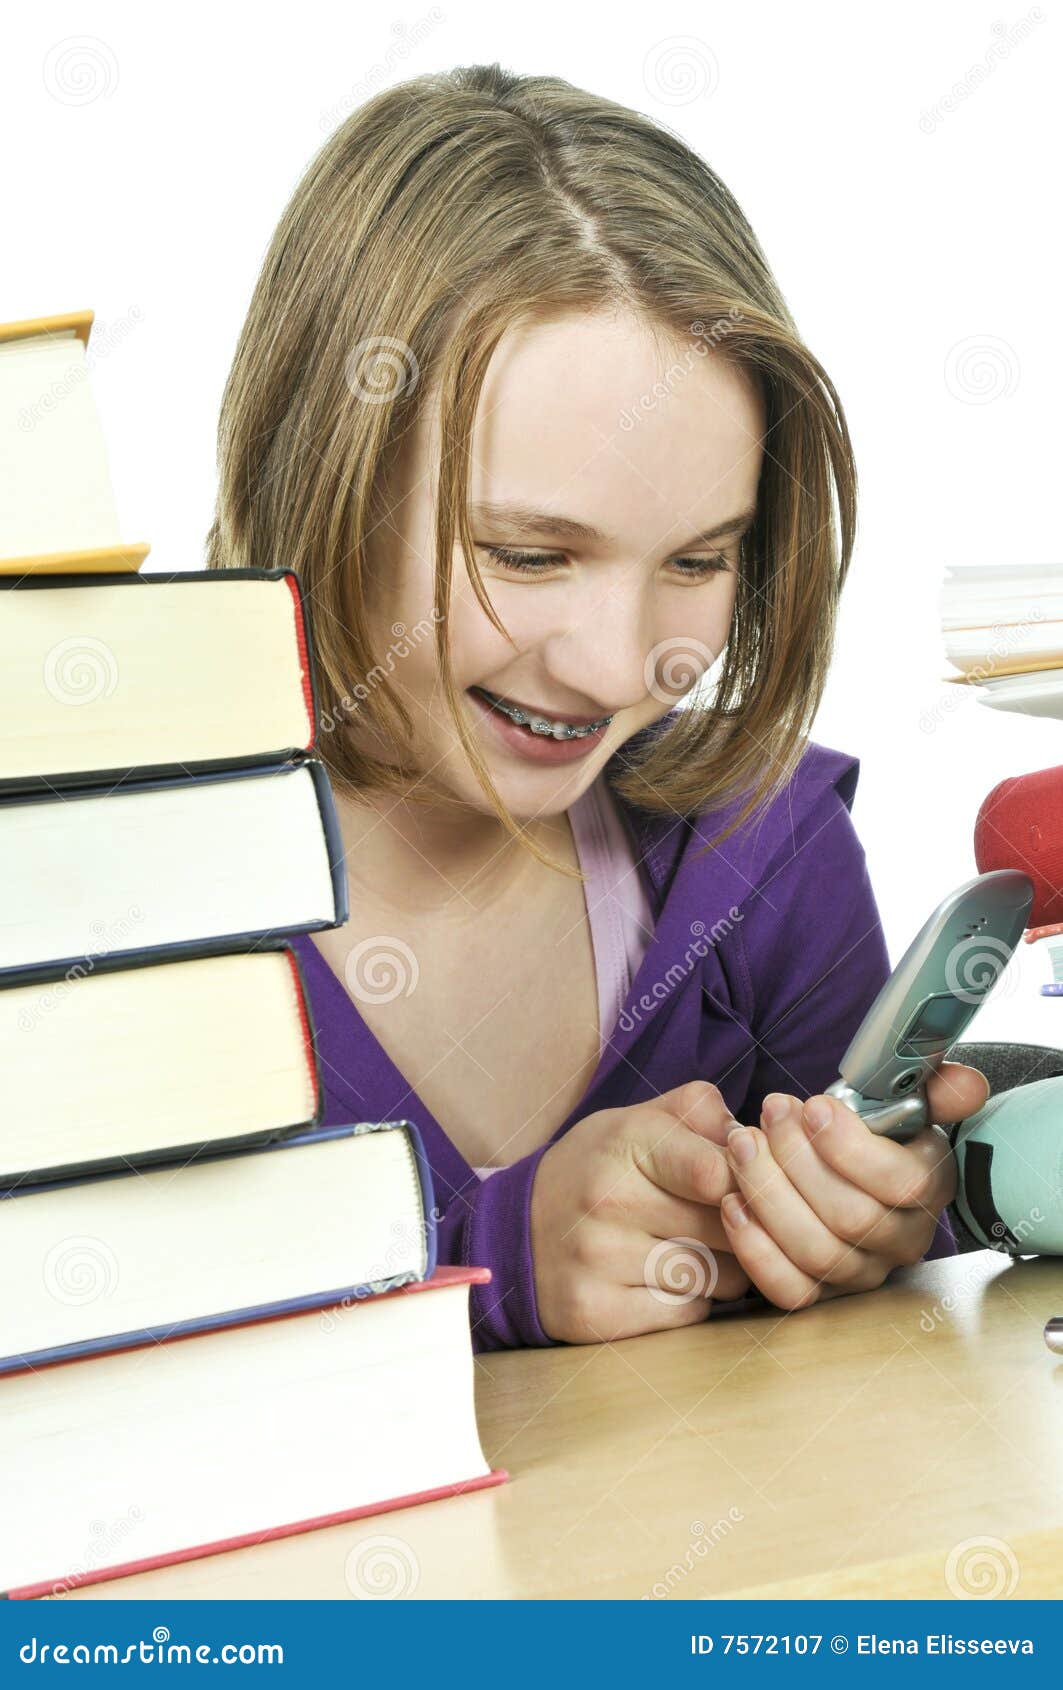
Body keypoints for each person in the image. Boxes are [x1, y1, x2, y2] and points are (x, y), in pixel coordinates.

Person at [205, 62, 988, 1353]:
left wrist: (886, 1237)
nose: (623, 670)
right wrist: (491, 1268)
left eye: (697, 560)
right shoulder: (101, 892)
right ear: (323, 481)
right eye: (527, 555)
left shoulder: (764, 862)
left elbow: (903, 1393)